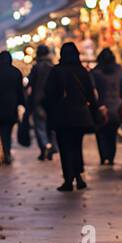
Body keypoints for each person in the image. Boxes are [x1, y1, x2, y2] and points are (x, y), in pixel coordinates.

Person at [44, 41, 98, 191]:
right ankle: (79, 177)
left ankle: (68, 180)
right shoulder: (82, 71)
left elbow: (48, 95)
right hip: (80, 116)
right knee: (76, 146)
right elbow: (91, 95)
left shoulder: (56, 71)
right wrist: (94, 114)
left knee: (65, 147)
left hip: (62, 116)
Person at [90, 48, 122, 165]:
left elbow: (92, 92)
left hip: (101, 108)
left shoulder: (95, 72)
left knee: (101, 133)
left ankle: (103, 157)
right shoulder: (119, 70)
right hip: (116, 108)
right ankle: (111, 157)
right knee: (112, 135)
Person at [0, 51, 24, 164]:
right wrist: (22, 103)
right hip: (11, 106)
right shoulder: (15, 72)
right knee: (8, 129)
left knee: (2, 130)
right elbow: (20, 91)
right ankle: (7, 152)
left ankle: (5, 152)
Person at [26, 44, 56, 160]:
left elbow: (30, 83)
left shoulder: (36, 67)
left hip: (38, 100)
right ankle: (52, 145)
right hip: (51, 100)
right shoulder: (52, 66)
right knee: (51, 125)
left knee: (40, 126)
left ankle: (44, 146)